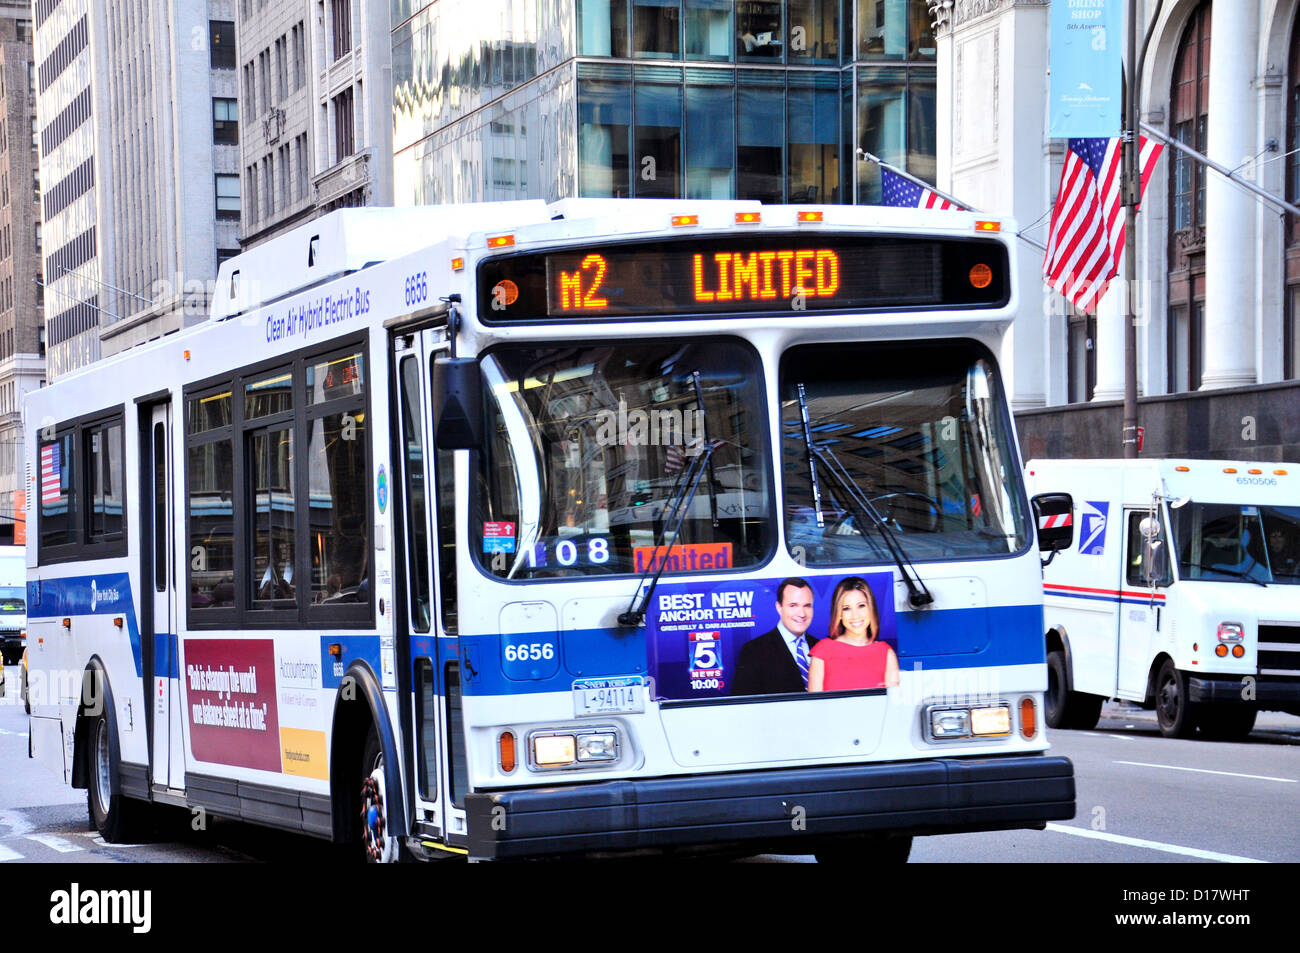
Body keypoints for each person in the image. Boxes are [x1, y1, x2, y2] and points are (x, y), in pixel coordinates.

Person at [808, 577, 899, 691]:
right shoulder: (822, 651)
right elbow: (815, 701)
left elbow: (893, 700)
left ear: (870, 608)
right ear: (839, 614)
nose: (855, 616)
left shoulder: (886, 653)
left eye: (861, 606)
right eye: (846, 608)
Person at [731, 578, 818, 696]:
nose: (802, 614)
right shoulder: (753, 651)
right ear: (779, 607)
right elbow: (743, 701)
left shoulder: (821, 646)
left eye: (807, 606)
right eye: (793, 605)